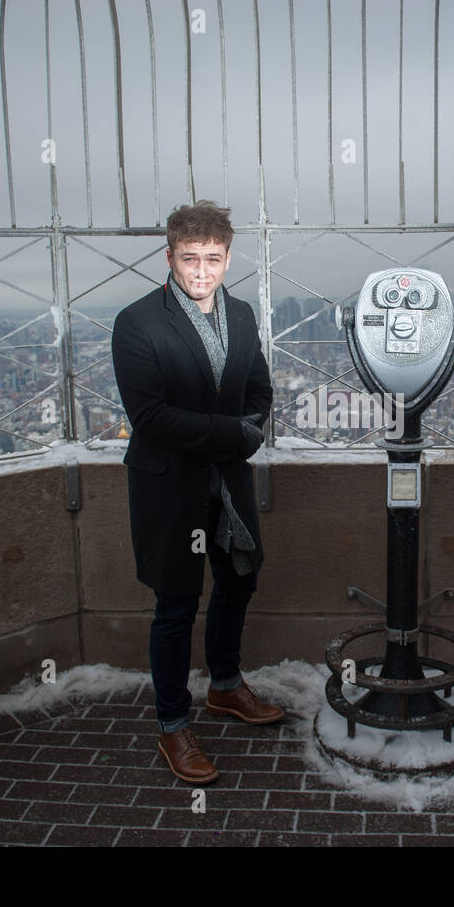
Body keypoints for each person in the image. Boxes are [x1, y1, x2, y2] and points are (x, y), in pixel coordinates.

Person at [111, 200, 285, 785]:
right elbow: (151, 416)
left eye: (213, 258)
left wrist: (250, 431)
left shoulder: (239, 315)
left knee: (240, 579)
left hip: (227, 479)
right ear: (170, 257)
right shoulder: (137, 322)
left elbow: (259, 389)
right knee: (177, 603)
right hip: (172, 487)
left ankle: (226, 686)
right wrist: (232, 434)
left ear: (229, 257)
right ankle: (171, 724)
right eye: (190, 259)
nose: (202, 271)